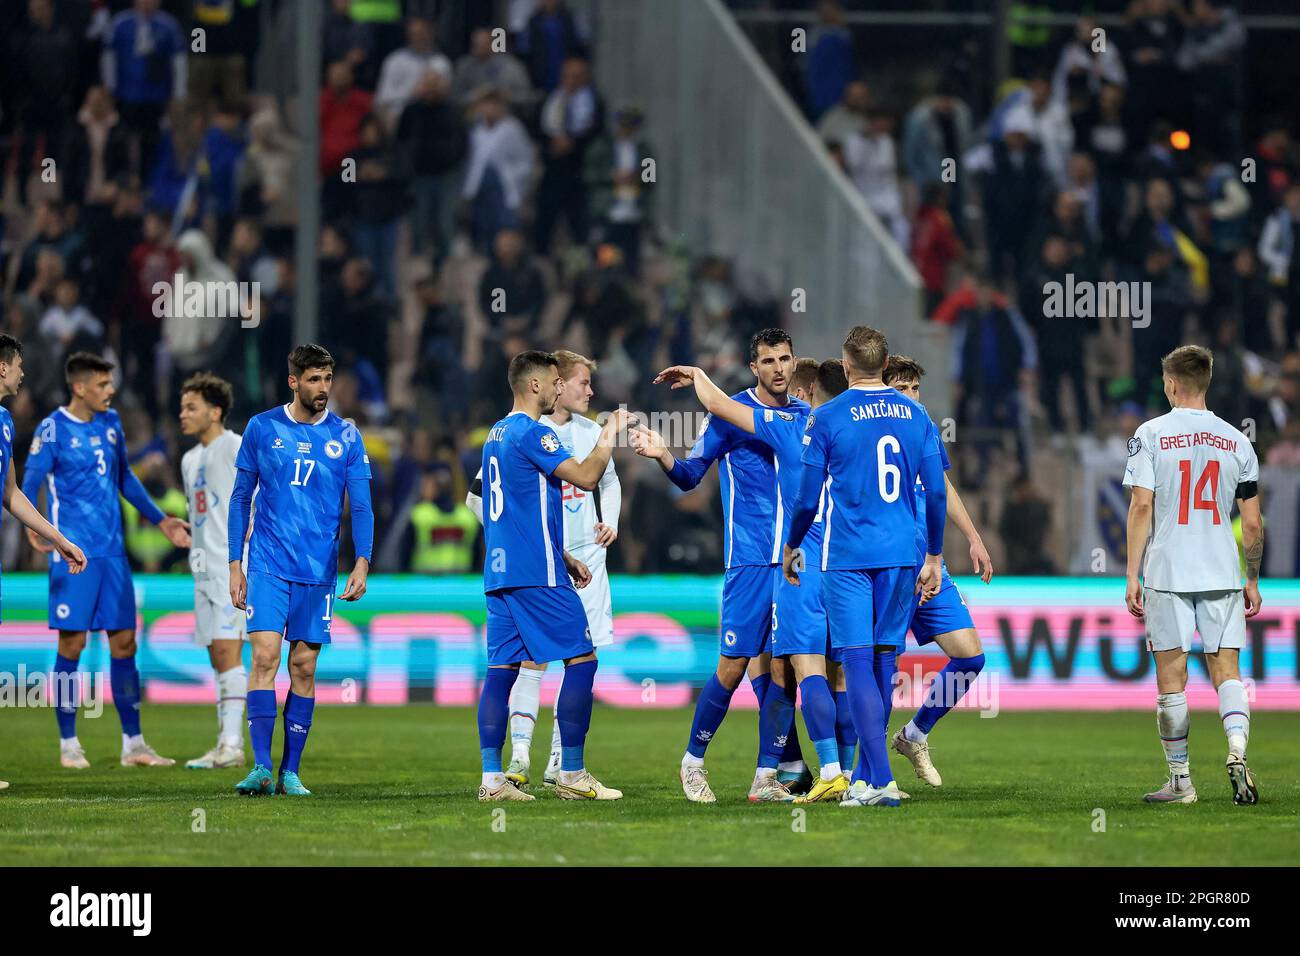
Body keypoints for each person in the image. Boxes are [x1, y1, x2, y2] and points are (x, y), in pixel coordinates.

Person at [639, 358, 854, 804]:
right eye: (769, 360)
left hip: (795, 561)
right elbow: (689, 476)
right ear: (756, 365)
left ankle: (766, 776)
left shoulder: (803, 418)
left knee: (783, 668)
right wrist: (663, 454)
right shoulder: (729, 415)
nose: (778, 368)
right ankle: (692, 762)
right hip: (750, 561)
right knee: (733, 666)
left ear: (793, 364)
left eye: (785, 359)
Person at [783, 326, 947, 808]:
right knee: (882, 663)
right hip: (901, 555)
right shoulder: (917, 415)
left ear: (847, 364)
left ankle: (881, 782)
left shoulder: (828, 416)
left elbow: (807, 499)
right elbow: (935, 492)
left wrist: (793, 544)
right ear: (886, 362)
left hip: (848, 558)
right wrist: (934, 555)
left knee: (855, 661)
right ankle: (866, 779)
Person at [22, 352, 191, 770]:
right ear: (79, 387)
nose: (110, 391)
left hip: (113, 553)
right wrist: (37, 529)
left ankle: (133, 744)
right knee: (72, 643)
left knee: (124, 643)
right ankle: (68, 743)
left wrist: (161, 520)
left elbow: (125, 480)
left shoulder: (111, 424)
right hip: (72, 552)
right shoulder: (52, 429)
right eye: (102, 385)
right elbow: (27, 482)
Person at [475, 350, 629, 802]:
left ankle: (491, 780)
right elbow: (584, 477)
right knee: (583, 659)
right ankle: (572, 772)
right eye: (555, 383)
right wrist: (608, 436)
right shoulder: (532, 432)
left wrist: (561, 553)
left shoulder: (494, 434)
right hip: (536, 576)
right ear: (536, 386)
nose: (561, 389)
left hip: (502, 571)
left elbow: (509, 511)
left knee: (501, 671)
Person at [227, 345, 374, 797]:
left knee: (304, 668)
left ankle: (290, 771)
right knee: (266, 658)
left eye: (328, 379)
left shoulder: (347, 436)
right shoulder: (261, 427)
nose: (323, 388)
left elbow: (362, 505)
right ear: (293, 381)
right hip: (268, 564)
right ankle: (261, 767)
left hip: (318, 570)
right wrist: (236, 563)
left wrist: (363, 559)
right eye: (314, 379)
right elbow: (239, 498)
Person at [1123, 345, 1261, 806]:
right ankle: (1237, 750)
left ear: (1171, 384)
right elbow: (1254, 523)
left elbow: (1142, 505)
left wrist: (1131, 575)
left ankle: (1181, 782)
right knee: (1227, 671)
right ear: (1206, 383)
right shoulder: (1238, 440)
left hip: (1167, 571)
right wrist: (1254, 578)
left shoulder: (1150, 433)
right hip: (1223, 569)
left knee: (1172, 677)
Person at [882, 355, 991, 788]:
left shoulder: (924, 424)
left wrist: (974, 536)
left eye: (915, 388)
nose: (911, 396)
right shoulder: (868, 430)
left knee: (970, 656)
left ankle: (915, 734)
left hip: (930, 566)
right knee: (880, 670)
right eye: (902, 388)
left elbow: (940, 486)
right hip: (886, 569)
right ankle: (869, 774)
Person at [0, 335, 90, 791]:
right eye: (18, 366)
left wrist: (59, 540)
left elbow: (11, 493)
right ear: (2, 368)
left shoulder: (3, 421)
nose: (22, 375)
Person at [178, 372, 247, 770]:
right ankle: (225, 741)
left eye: (192, 407)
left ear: (215, 411)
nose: (182, 414)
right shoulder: (189, 460)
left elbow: (260, 494)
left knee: (228, 650)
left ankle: (234, 745)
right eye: (182, 407)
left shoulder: (234, 447)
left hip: (230, 567)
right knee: (216, 656)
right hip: (201, 569)